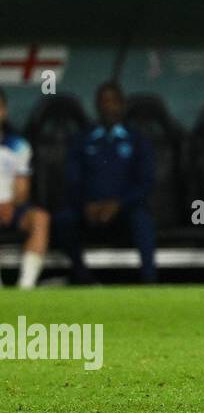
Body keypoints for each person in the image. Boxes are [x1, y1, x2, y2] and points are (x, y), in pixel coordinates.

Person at [53, 82, 157, 284]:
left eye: (114, 102)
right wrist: (85, 205)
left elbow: (146, 183)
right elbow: (72, 180)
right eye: (104, 102)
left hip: (124, 210)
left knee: (142, 219)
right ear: (97, 106)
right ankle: (84, 279)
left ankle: (150, 282)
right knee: (62, 220)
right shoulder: (82, 139)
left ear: (122, 105)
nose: (109, 106)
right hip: (89, 211)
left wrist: (118, 204)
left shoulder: (137, 140)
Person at [0, 89, 49, 289]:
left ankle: (26, 286)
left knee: (40, 218)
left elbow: (22, 186)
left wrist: (11, 204)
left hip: (12, 208)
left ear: (3, 111)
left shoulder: (18, 145)